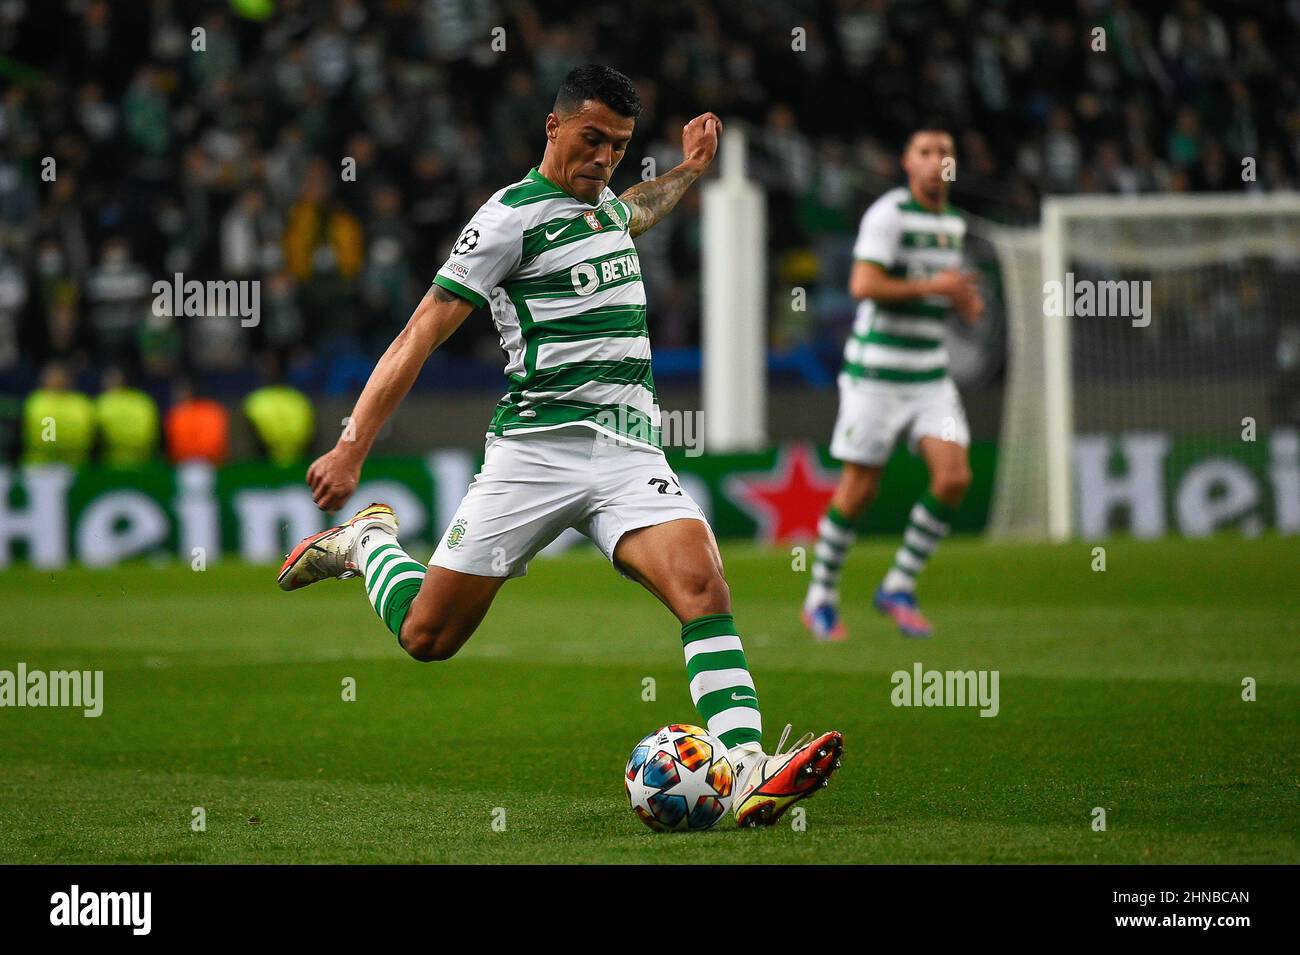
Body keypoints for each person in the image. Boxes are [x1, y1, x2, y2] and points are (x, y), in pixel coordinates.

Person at [278, 65, 842, 828]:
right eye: (591, 140)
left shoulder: (604, 204)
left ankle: (745, 767)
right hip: (534, 453)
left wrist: (691, 170)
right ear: (552, 127)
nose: (604, 159)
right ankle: (369, 543)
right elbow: (419, 333)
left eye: (617, 146)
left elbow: (634, 210)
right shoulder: (506, 220)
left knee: (702, 585)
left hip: (630, 451)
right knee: (428, 636)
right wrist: (351, 445)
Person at [803, 128, 983, 641]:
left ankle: (898, 586)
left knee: (953, 478)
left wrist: (962, 303)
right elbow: (863, 285)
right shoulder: (889, 214)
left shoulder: (953, 224)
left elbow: (940, 295)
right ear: (908, 162)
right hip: (875, 376)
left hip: (929, 375)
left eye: (944, 153)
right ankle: (820, 595)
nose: (935, 161)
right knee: (859, 490)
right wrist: (937, 287)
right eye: (925, 152)